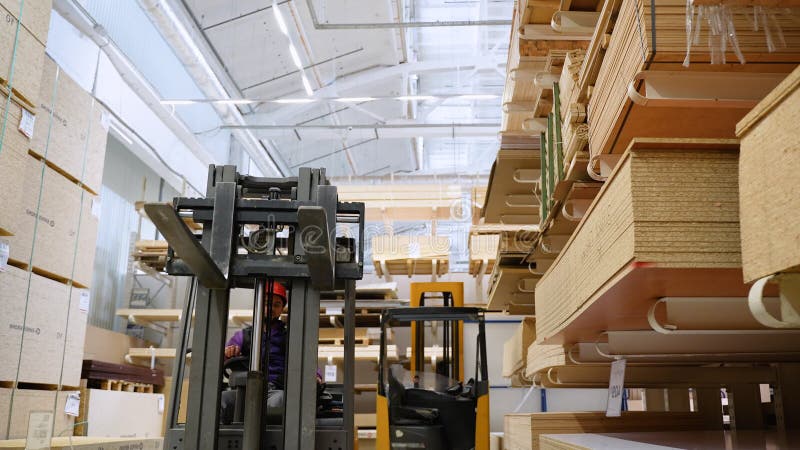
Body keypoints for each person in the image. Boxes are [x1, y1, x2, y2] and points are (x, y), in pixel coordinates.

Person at [221, 281, 288, 423]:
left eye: (276, 305)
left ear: (282, 309)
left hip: (275, 389)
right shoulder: (243, 336)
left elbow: (306, 361)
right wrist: (229, 352)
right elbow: (228, 352)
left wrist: (316, 375)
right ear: (258, 304)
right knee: (222, 401)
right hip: (245, 390)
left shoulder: (288, 337)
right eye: (266, 303)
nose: (270, 308)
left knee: (278, 403)